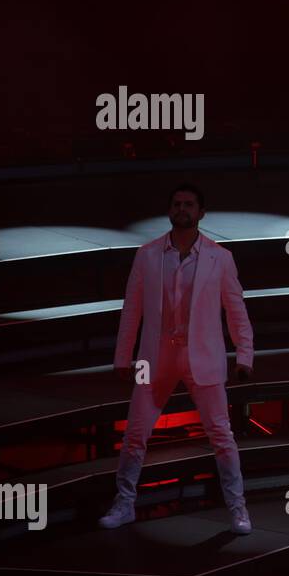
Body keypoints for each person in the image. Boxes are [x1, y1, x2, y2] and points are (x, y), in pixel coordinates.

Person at [100, 183, 255, 533]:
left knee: (221, 435)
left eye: (189, 204)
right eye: (176, 203)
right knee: (135, 432)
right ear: (170, 210)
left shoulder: (220, 257)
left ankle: (238, 509)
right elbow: (132, 308)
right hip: (153, 357)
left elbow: (236, 309)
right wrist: (122, 357)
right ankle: (124, 503)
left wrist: (244, 353)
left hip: (204, 355)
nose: (182, 209)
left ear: (201, 213)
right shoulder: (148, 254)